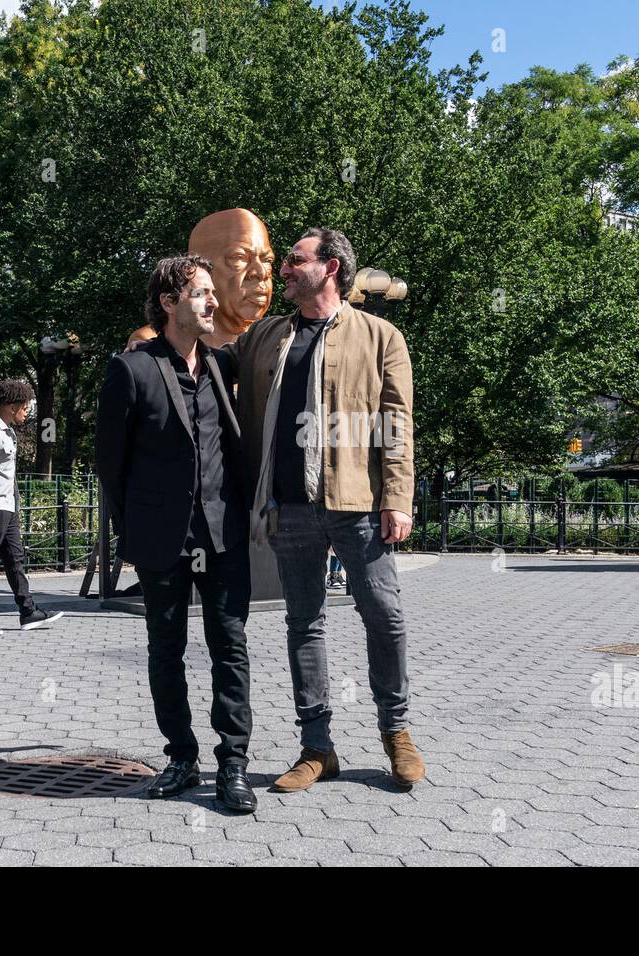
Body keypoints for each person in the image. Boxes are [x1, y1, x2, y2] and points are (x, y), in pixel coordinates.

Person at [226, 227, 423, 791]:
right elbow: (208, 360)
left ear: (330, 267)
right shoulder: (265, 336)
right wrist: (155, 340)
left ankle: (396, 733)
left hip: (357, 502)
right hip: (288, 504)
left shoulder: (381, 336)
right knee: (303, 623)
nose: (283, 269)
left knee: (384, 615)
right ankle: (317, 748)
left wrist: (398, 498)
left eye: (294, 260)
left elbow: (398, 425)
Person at [95, 254, 257, 813]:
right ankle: (182, 757)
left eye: (212, 292)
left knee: (229, 650)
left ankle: (232, 764)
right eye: (202, 294)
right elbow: (109, 468)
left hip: (224, 535)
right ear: (169, 303)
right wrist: (131, 535)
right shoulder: (131, 370)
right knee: (166, 651)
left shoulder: (220, 366)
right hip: (162, 539)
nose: (214, 302)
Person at [0, 380, 64, 636]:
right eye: (25, 406)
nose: (27, 411)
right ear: (11, 405)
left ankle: (28, 611)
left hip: (7, 506)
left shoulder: (5, 430)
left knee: (15, 560)